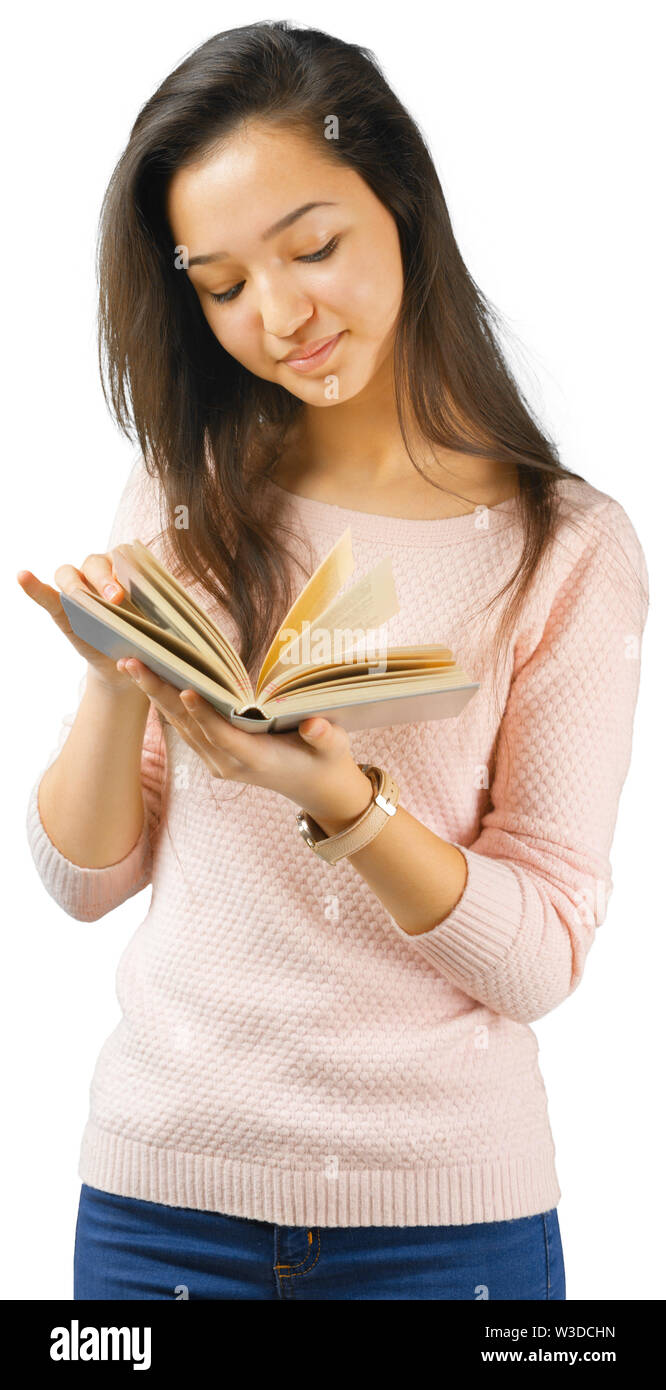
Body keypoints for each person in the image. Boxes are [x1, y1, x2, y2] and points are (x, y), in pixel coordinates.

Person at [19, 21, 648, 1301]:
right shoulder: (182, 492)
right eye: (223, 284)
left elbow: (541, 960)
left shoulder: (564, 547)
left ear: (403, 205)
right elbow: (85, 886)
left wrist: (338, 802)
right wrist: (111, 674)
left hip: (447, 1225)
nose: (281, 315)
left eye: (314, 247)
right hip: (159, 1205)